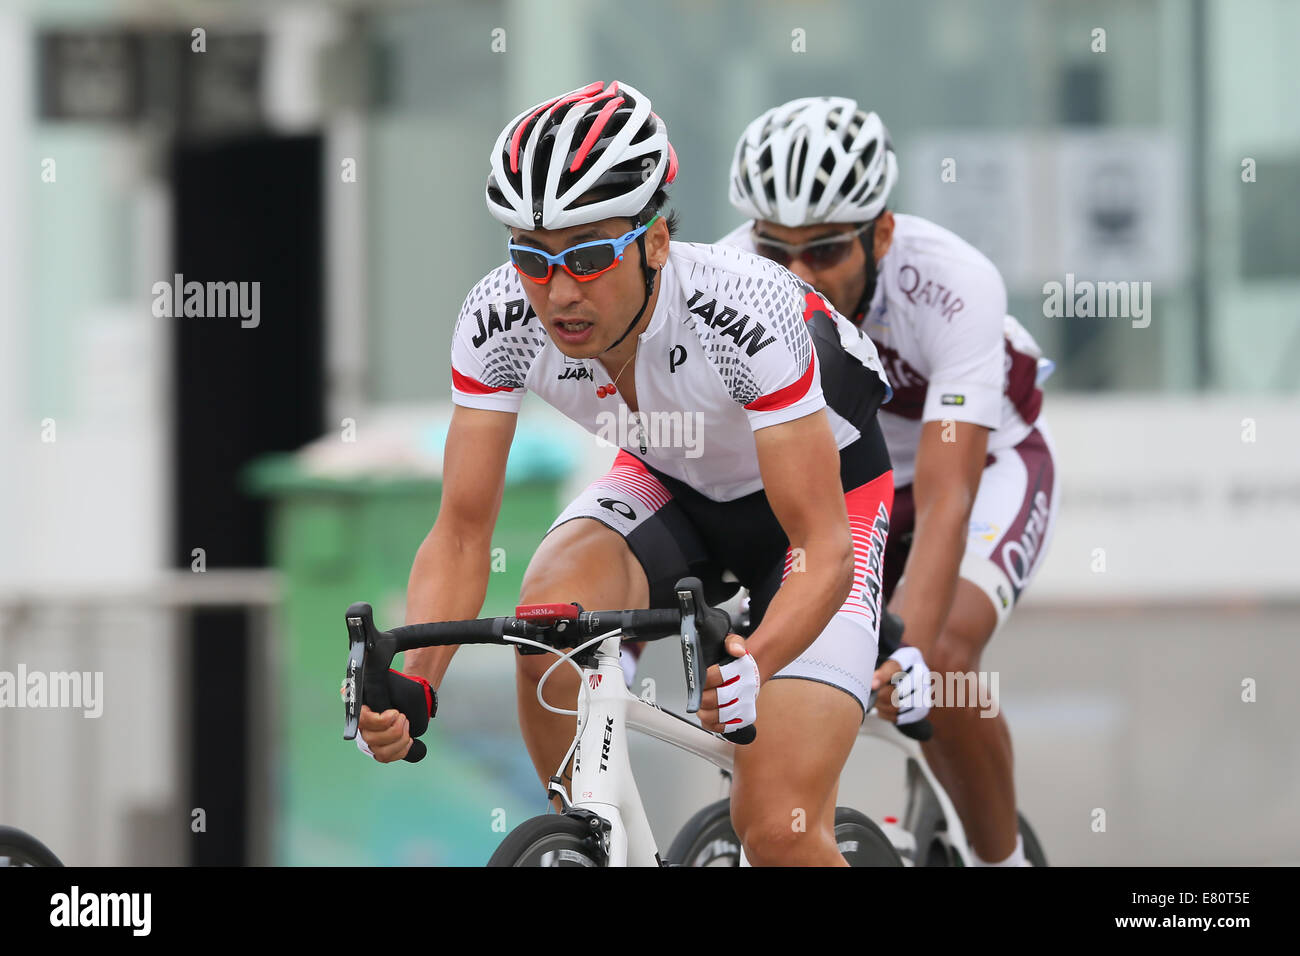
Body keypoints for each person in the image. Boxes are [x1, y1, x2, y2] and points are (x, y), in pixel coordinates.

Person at [354, 81, 911, 866]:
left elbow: (822, 545)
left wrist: (758, 660)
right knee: (546, 618)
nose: (559, 292)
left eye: (587, 256)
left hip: (820, 510)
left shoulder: (744, 314)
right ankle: (596, 840)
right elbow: (460, 532)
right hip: (672, 482)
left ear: (654, 241)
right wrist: (419, 684)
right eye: (532, 259)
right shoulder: (498, 320)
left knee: (777, 825)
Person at [722, 96, 1059, 867]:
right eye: (775, 251)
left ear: (881, 233)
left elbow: (947, 495)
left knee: (938, 662)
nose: (795, 276)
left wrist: (906, 643)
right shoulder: (724, 275)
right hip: (847, 486)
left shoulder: (955, 284)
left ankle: (999, 860)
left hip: (983, 468)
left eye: (827, 250)